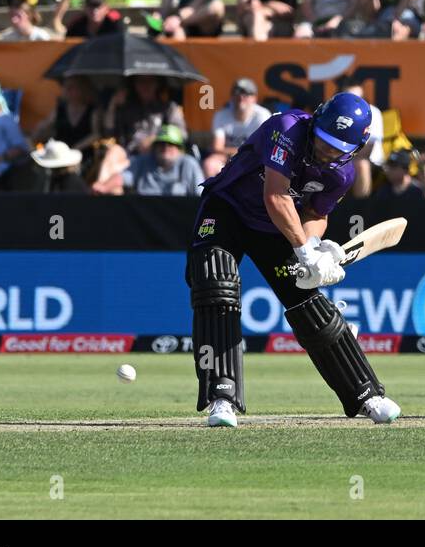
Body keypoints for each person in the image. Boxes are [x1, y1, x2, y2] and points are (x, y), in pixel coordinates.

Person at [186, 91, 401, 427]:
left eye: (337, 148)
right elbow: (276, 194)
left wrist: (315, 248)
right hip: (227, 208)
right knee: (216, 283)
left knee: (308, 304)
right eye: (323, 140)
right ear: (315, 122)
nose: (326, 151)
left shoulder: (342, 175)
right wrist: (303, 249)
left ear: (356, 149)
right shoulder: (286, 128)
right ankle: (221, 397)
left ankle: (367, 395)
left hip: (275, 230)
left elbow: (316, 213)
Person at [208, 78, 272, 177]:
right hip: (227, 158)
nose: (241, 96)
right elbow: (217, 147)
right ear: (232, 97)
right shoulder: (220, 116)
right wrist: (236, 154)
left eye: (246, 93)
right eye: (237, 92)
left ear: (254, 98)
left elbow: (263, 148)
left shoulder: (263, 116)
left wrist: (237, 153)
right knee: (210, 164)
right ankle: (212, 192)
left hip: (253, 159)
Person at [124, 124, 205, 196]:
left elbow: (201, 196)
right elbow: (120, 179)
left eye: (171, 144)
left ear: (180, 149)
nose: (165, 148)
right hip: (145, 211)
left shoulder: (189, 164)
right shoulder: (143, 161)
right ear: (154, 147)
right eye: (162, 144)